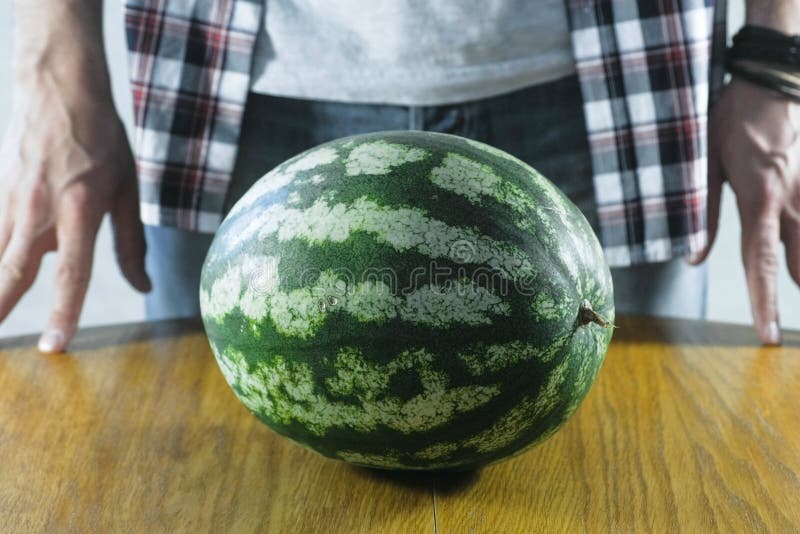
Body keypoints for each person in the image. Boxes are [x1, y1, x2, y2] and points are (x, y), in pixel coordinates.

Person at [1, 0, 798, 353]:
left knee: (633, 483)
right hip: (231, 91)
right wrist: (52, 59)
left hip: (615, 92)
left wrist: (776, 57)